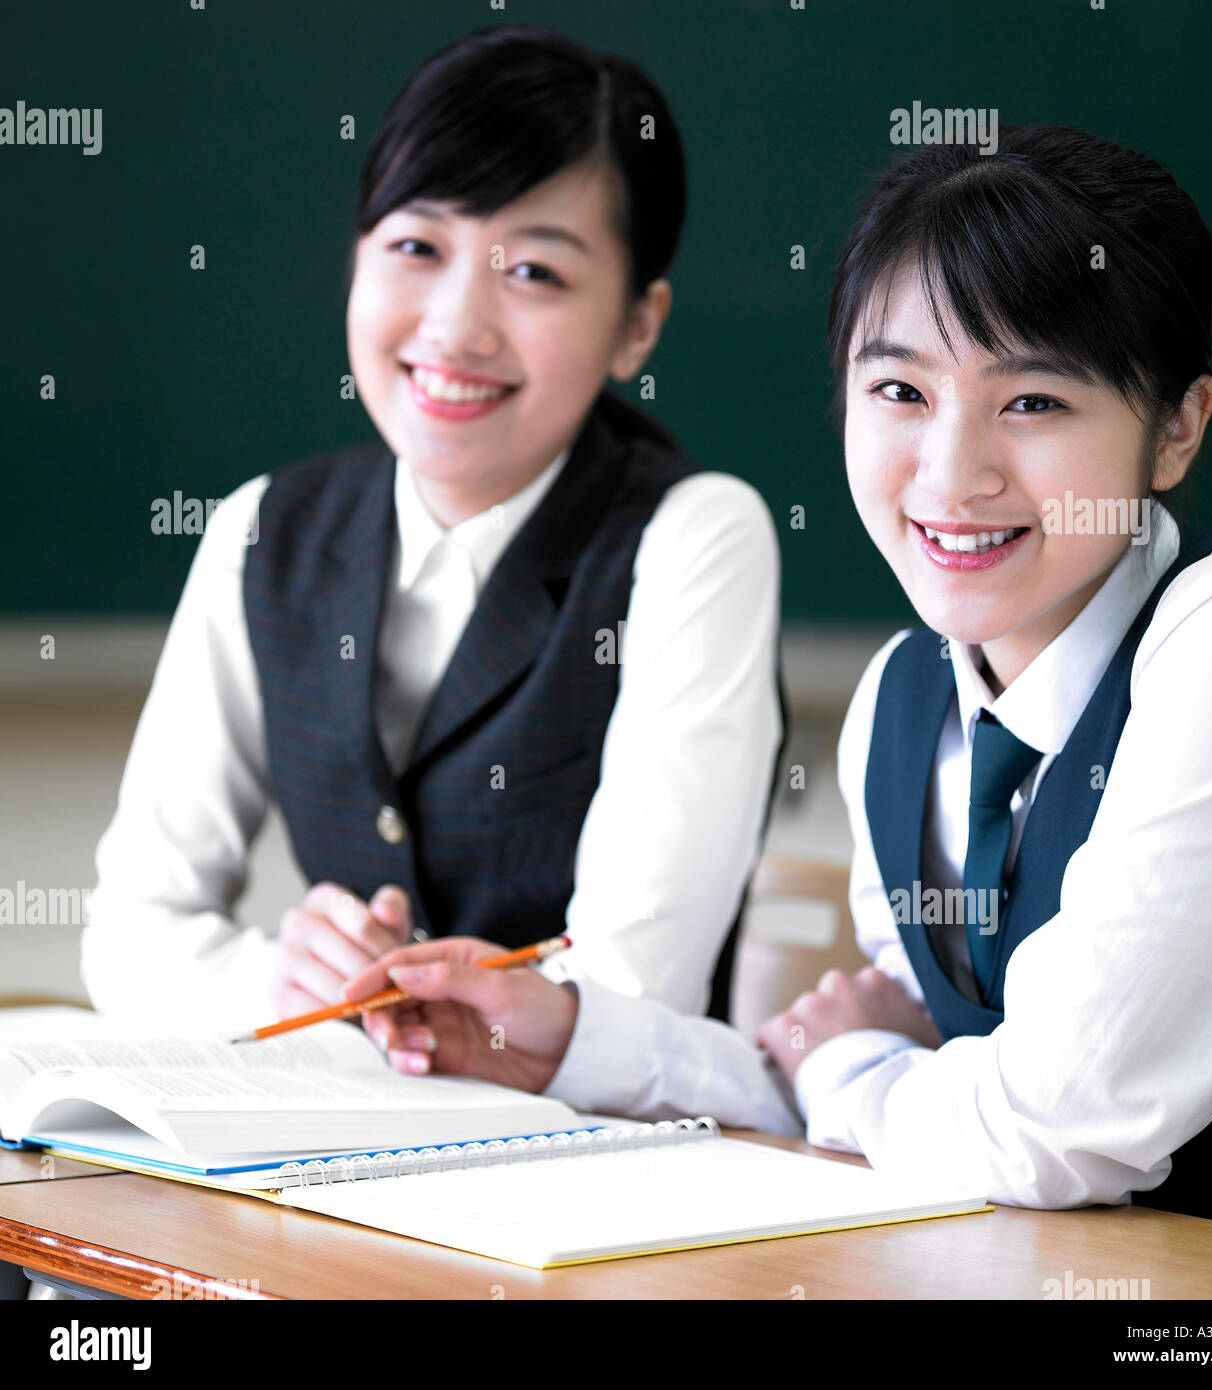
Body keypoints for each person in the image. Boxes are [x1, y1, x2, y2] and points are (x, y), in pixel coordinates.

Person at [344, 124, 1212, 1234]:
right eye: (899, 392)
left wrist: (846, 1061)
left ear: (1176, 428)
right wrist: (554, 1033)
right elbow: (910, 1089)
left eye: (1031, 402)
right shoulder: (903, 708)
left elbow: (1049, 1119)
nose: (952, 474)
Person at [81, 25, 783, 1044]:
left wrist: (407, 1004)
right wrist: (287, 981)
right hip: (320, 1160)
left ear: (638, 324)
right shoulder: (258, 531)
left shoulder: (691, 538)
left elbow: (636, 987)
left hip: (598, 1171)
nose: (456, 325)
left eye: (534, 272)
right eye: (416, 247)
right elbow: (131, 933)